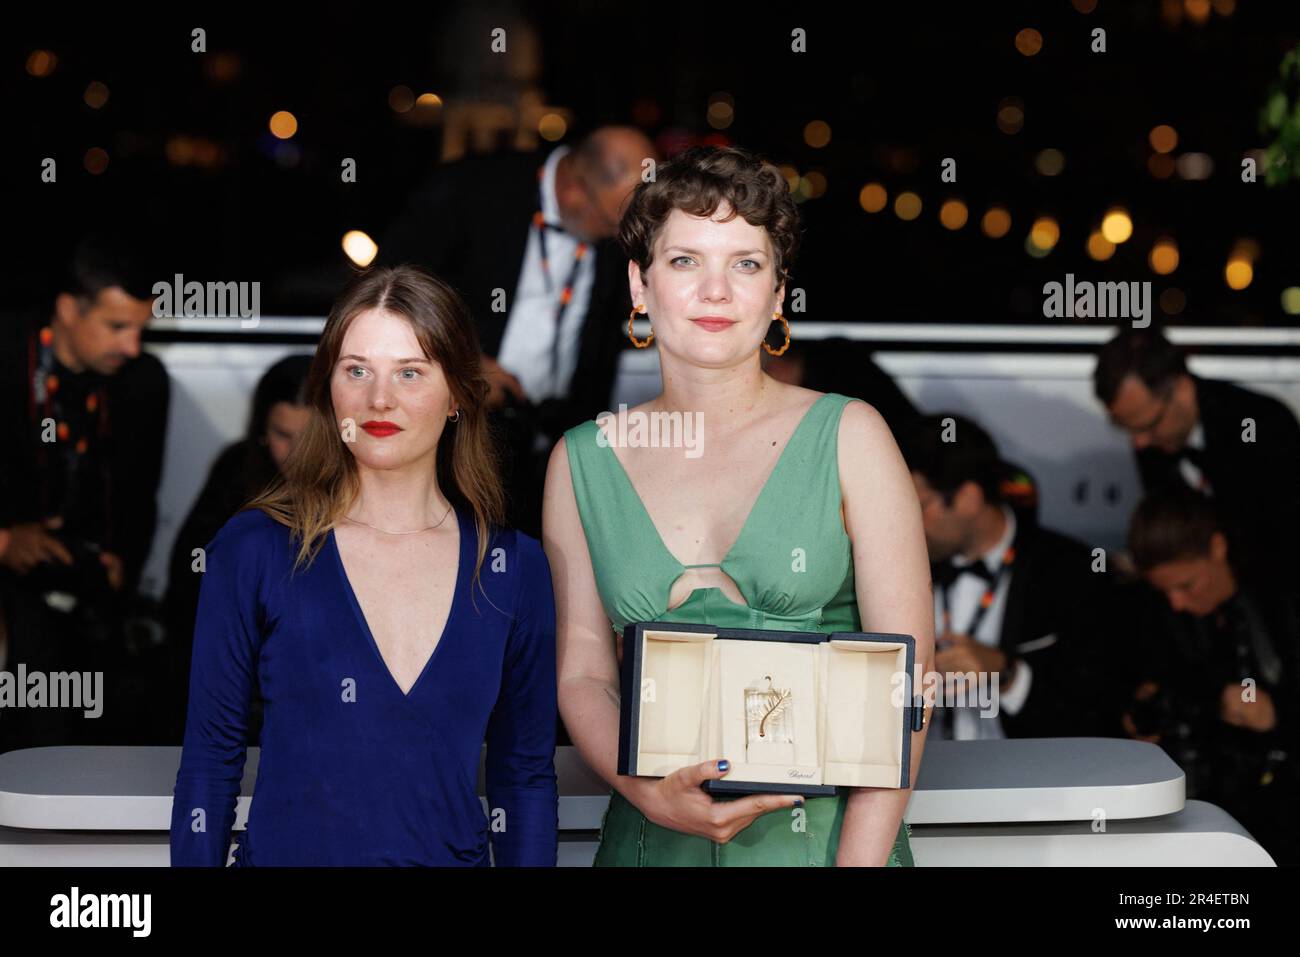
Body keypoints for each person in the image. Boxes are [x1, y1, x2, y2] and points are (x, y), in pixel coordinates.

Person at [542, 145, 933, 866]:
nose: (715, 290)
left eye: (746, 264)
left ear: (779, 292)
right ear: (640, 282)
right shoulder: (581, 460)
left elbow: (905, 684)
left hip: (826, 849)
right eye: (686, 261)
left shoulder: (850, 435)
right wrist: (649, 792)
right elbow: (584, 674)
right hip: (650, 842)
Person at [170, 265, 557, 866]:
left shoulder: (513, 567)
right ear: (329, 386)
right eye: (357, 371)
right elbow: (210, 758)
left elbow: (524, 776)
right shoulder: (255, 548)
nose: (380, 399)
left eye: (410, 372)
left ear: (455, 393)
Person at [377, 126, 657, 538]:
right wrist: (461, 367)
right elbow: (387, 292)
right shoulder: (470, 189)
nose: (620, 238)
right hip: (458, 438)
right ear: (576, 191)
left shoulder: (617, 221)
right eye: (612, 224)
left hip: (556, 443)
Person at [0, 231, 169, 750]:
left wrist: (120, 563)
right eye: (117, 326)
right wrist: (5, 541)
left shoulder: (143, 381)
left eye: (142, 327)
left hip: (96, 586)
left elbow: (141, 497)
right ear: (69, 309)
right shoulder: (7, 358)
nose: (132, 346)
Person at [900, 414, 1115, 740]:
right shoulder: (898, 563)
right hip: (921, 776)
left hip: (1032, 779)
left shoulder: (1071, 571)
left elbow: (1096, 708)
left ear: (969, 498)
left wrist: (1007, 672)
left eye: (919, 506)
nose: (904, 522)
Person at [1124, 489, 1299, 866]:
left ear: (1218, 548)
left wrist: (1278, 714)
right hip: (1204, 807)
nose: (1176, 602)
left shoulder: (1282, 599)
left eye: (1186, 585)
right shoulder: (1154, 614)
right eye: (1164, 591)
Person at [162, 353, 314, 744]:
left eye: (311, 436)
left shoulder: (370, 481)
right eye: (283, 435)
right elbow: (186, 584)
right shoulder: (236, 471)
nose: (296, 454)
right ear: (261, 431)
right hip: (238, 682)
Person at [1094, 326, 1300, 586]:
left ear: (1181, 388)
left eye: (1149, 425)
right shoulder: (1151, 441)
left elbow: (1284, 536)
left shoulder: (1261, 423)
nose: (1139, 442)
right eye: (1129, 430)